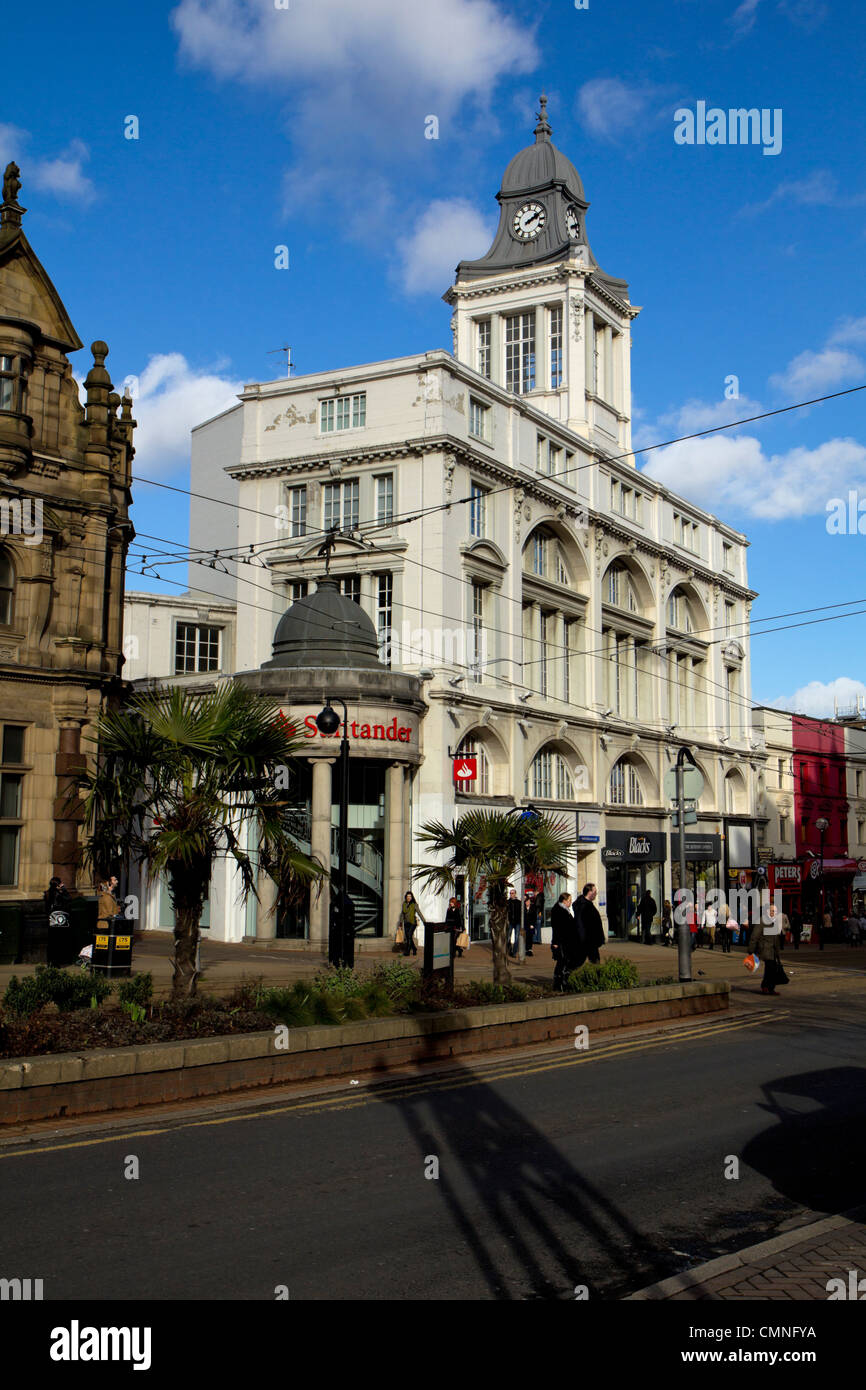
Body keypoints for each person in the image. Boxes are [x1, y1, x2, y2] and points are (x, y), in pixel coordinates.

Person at [748, 903, 786, 995]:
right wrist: (751, 950)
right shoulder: (762, 921)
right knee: (770, 968)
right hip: (765, 949)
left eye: (775, 911)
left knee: (771, 969)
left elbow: (776, 938)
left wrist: (778, 951)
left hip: (773, 950)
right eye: (772, 911)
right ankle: (767, 987)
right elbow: (754, 936)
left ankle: (769, 987)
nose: (774, 913)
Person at [551, 892, 580, 990]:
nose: (570, 902)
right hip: (561, 942)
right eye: (569, 901)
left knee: (565, 961)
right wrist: (555, 942)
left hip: (567, 941)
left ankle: (563, 981)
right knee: (562, 961)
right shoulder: (558, 911)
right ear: (564, 901)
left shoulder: (565, 910)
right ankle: (559, 983)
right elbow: (556, 927)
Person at [578, 883, 605, 964]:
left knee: (593, 961)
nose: (596, 894)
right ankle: (565, 974)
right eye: (595, 891)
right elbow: (582, 924)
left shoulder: (588, 905)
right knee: (580, 961)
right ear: (589, 892)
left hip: (591, 940)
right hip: (588, 940)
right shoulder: (584, 906)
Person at [399, 890, 424, 957]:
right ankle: (414, 949)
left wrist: (424, 921)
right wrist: (400, 923)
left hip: (413, 922)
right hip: (406, 923)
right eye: (407, 896)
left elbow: (419, 913)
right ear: (406, 897)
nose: (409, 897)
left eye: (410, 896)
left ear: (412, 897)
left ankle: (407, 951)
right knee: (408, 937)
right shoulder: (404, 904)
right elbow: (402, 914)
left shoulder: (414, 904)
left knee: (409, 935)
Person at [506, 888, 522, 959]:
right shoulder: (507, 902)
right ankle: (510, 950)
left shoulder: (519, 902)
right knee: (508, 937)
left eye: (512, 893)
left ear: (515, 894)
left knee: (516, 938)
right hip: (510, 922)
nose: (511, 894)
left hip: (517, 922)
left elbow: (521, 912)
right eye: (510, 893)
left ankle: (514, 952)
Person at [523, 890, 537, 957]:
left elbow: (534, 917)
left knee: (530, 937)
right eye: (526, 902)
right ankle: (526, 949)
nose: (527, 903)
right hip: (525, 925)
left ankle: (530, 949)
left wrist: (532, 924)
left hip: (531, 925)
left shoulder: (533, 908)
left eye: (528, 901)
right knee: (526, 937)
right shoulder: (523, 908)